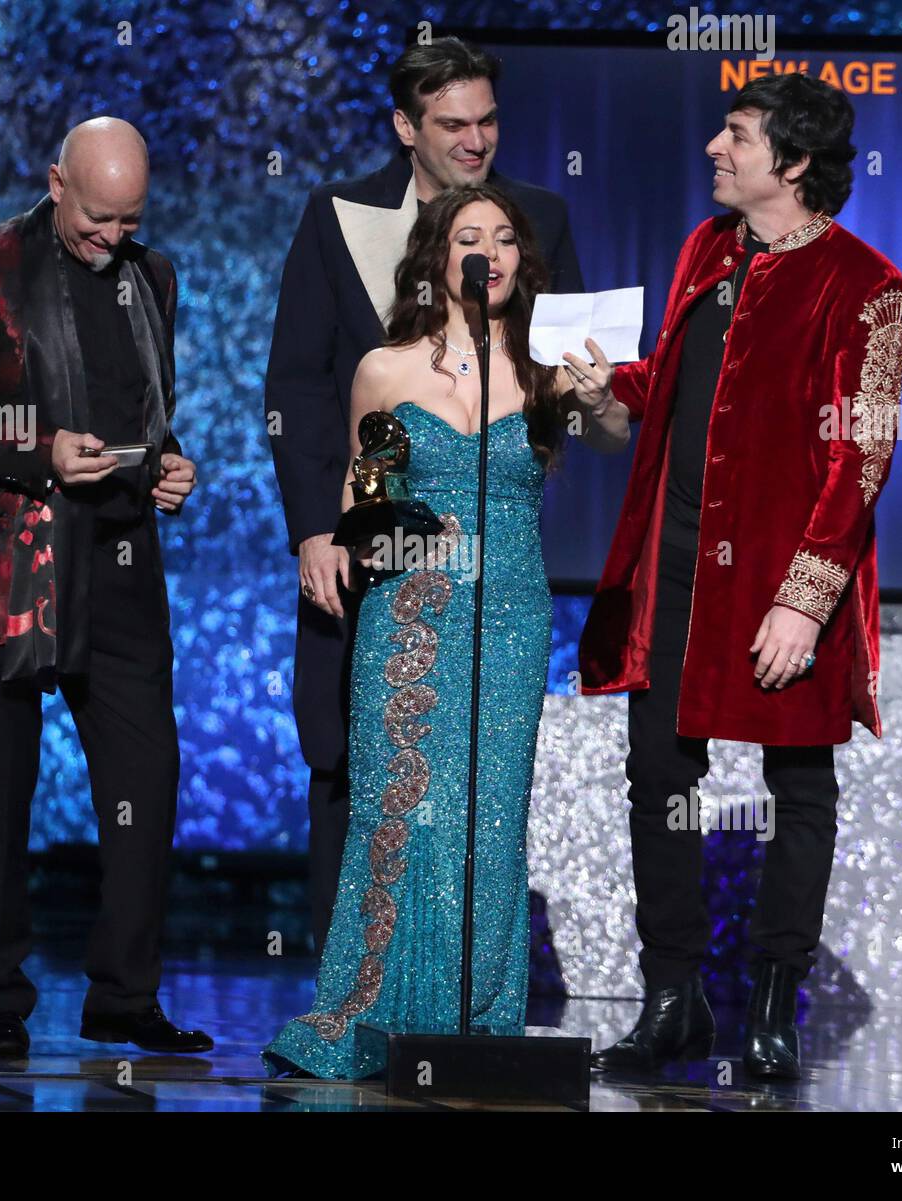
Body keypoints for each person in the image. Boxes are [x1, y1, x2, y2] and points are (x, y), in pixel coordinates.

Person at [580, 73, 902, 1081]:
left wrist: (805, 602)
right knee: (658, 778)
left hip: (784, 579)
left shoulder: (868, 286)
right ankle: (671, 1000)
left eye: (736, 135)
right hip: (677, 563)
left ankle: (774, 1003)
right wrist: (607, 386)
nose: (714, 149)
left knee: (799, 785)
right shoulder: (705, 249)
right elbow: (676, 379)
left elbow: (861, 457)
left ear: (793, 162)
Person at [262, 183, 628, 1078]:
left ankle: (478, 1016)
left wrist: (602, 396)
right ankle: (371, 1008)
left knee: (490, 815)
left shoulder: (547, 368)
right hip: (411, 615)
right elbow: (362, 492)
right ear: (437, 254)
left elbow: (614, 434)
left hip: (510, 615)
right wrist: (364, 539)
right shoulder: (385, 369)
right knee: (402, 807)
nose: (489, 252)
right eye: (471, 236)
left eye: (505, 238)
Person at [0, 117, 212, 1059]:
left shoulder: (154, 277)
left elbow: (142, 408)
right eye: (98, 218)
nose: (113, 237)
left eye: (130, 220)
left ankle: (124, 994)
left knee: (147, 783)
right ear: (56, 182)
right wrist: (41, 451)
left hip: (120, 564)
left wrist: (168, 464)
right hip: (6, 567)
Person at [264, 36, 584, 956]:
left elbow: (566, 372)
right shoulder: (337, 216)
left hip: (489, 558)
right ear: (407, 127)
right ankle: (350, 985)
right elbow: (298, 384)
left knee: (478, 772)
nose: (475, 141)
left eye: (488, 121)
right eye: (452, 124)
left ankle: (455, 984)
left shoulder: (537, 218)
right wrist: (315, 529)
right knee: (349, 754)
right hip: (367, 542)